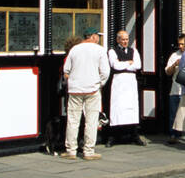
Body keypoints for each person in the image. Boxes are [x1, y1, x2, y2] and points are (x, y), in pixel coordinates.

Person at [62, 27, 110, 160]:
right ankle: (88, 151)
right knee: (91, 120)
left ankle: (71, 150)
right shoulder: (100, 50)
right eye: (98, 36)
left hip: (75, 90)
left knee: (72, 120)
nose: (99, 38)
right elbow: (105, 72)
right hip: (92, 89)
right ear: (93, 36)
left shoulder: (74, 49)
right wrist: (99, 84)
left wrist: (73, 81)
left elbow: (66, 70)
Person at [106, 30, 146, 147]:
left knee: (131, 107)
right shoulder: (112, 51)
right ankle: (113, 136)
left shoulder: (134, 51)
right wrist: (129, 63)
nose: (125, 42)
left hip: (131, 81)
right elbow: (115, 65)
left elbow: (138, 65)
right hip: (119, 81)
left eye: (127, 39)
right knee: (117, 107)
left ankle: (134, 134)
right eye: (123, 39)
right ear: (118, 40)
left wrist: (123, 63)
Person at [164, 34, 185, 143]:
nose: (181, 46)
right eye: (179, 44)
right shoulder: (175, 55)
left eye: (183, 44)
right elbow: (168, 72)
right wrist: (174, 65)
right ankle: (174, 134)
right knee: (174, 114)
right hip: (176, 89)